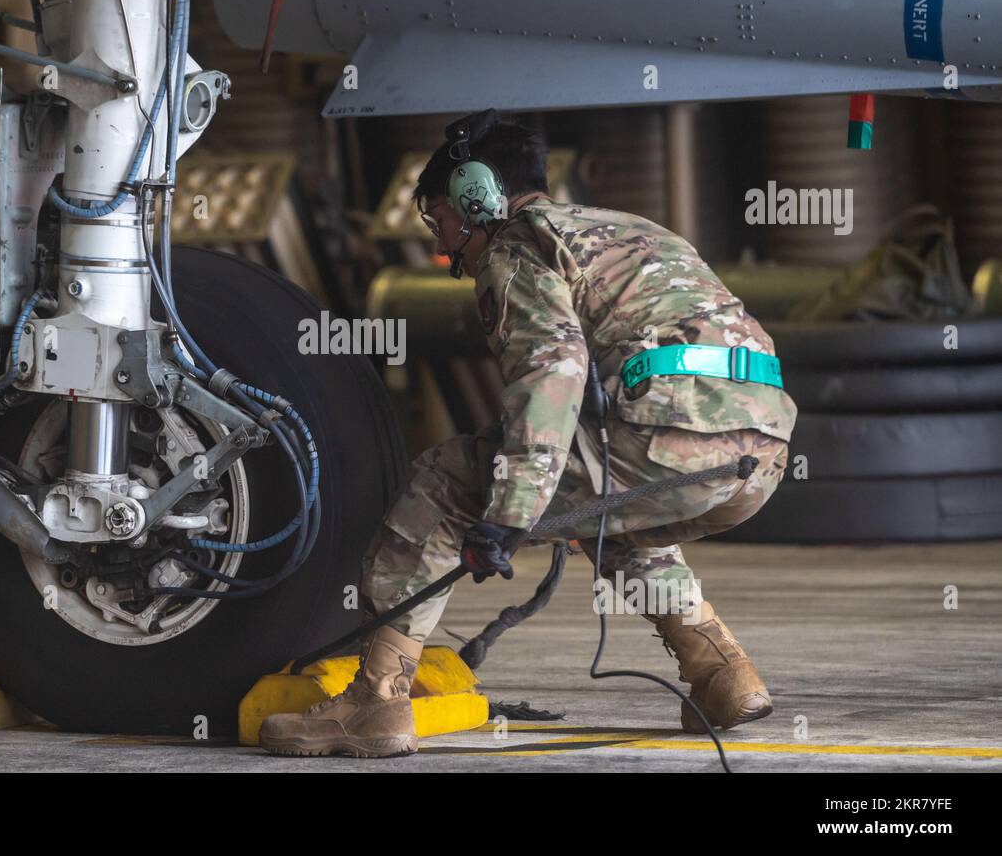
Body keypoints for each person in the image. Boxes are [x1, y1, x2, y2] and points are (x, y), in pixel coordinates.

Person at [260, 112, 797, 758]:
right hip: (760, 451)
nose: (445, 246)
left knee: (444, 482)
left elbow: (552, 377)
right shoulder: (624, 229)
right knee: (612, 520)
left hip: (667, 433)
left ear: (477, 195)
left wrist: (509, 515)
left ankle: (375, 700)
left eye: (442, 220)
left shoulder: (518, 248)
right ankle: (723, 675)